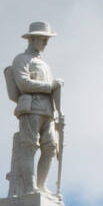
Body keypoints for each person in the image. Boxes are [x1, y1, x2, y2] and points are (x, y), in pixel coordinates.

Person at [5, 22, 64, 195]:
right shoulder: (21, 59)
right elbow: (23, 84)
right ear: (32, 38)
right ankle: (29, 187)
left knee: (51, 147)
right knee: (29, 147)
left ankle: (41, 185)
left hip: (48, 111)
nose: (45, 43)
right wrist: (49, 86)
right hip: (31, 108)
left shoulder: (43, 63)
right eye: (42, 39)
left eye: (47, 40)